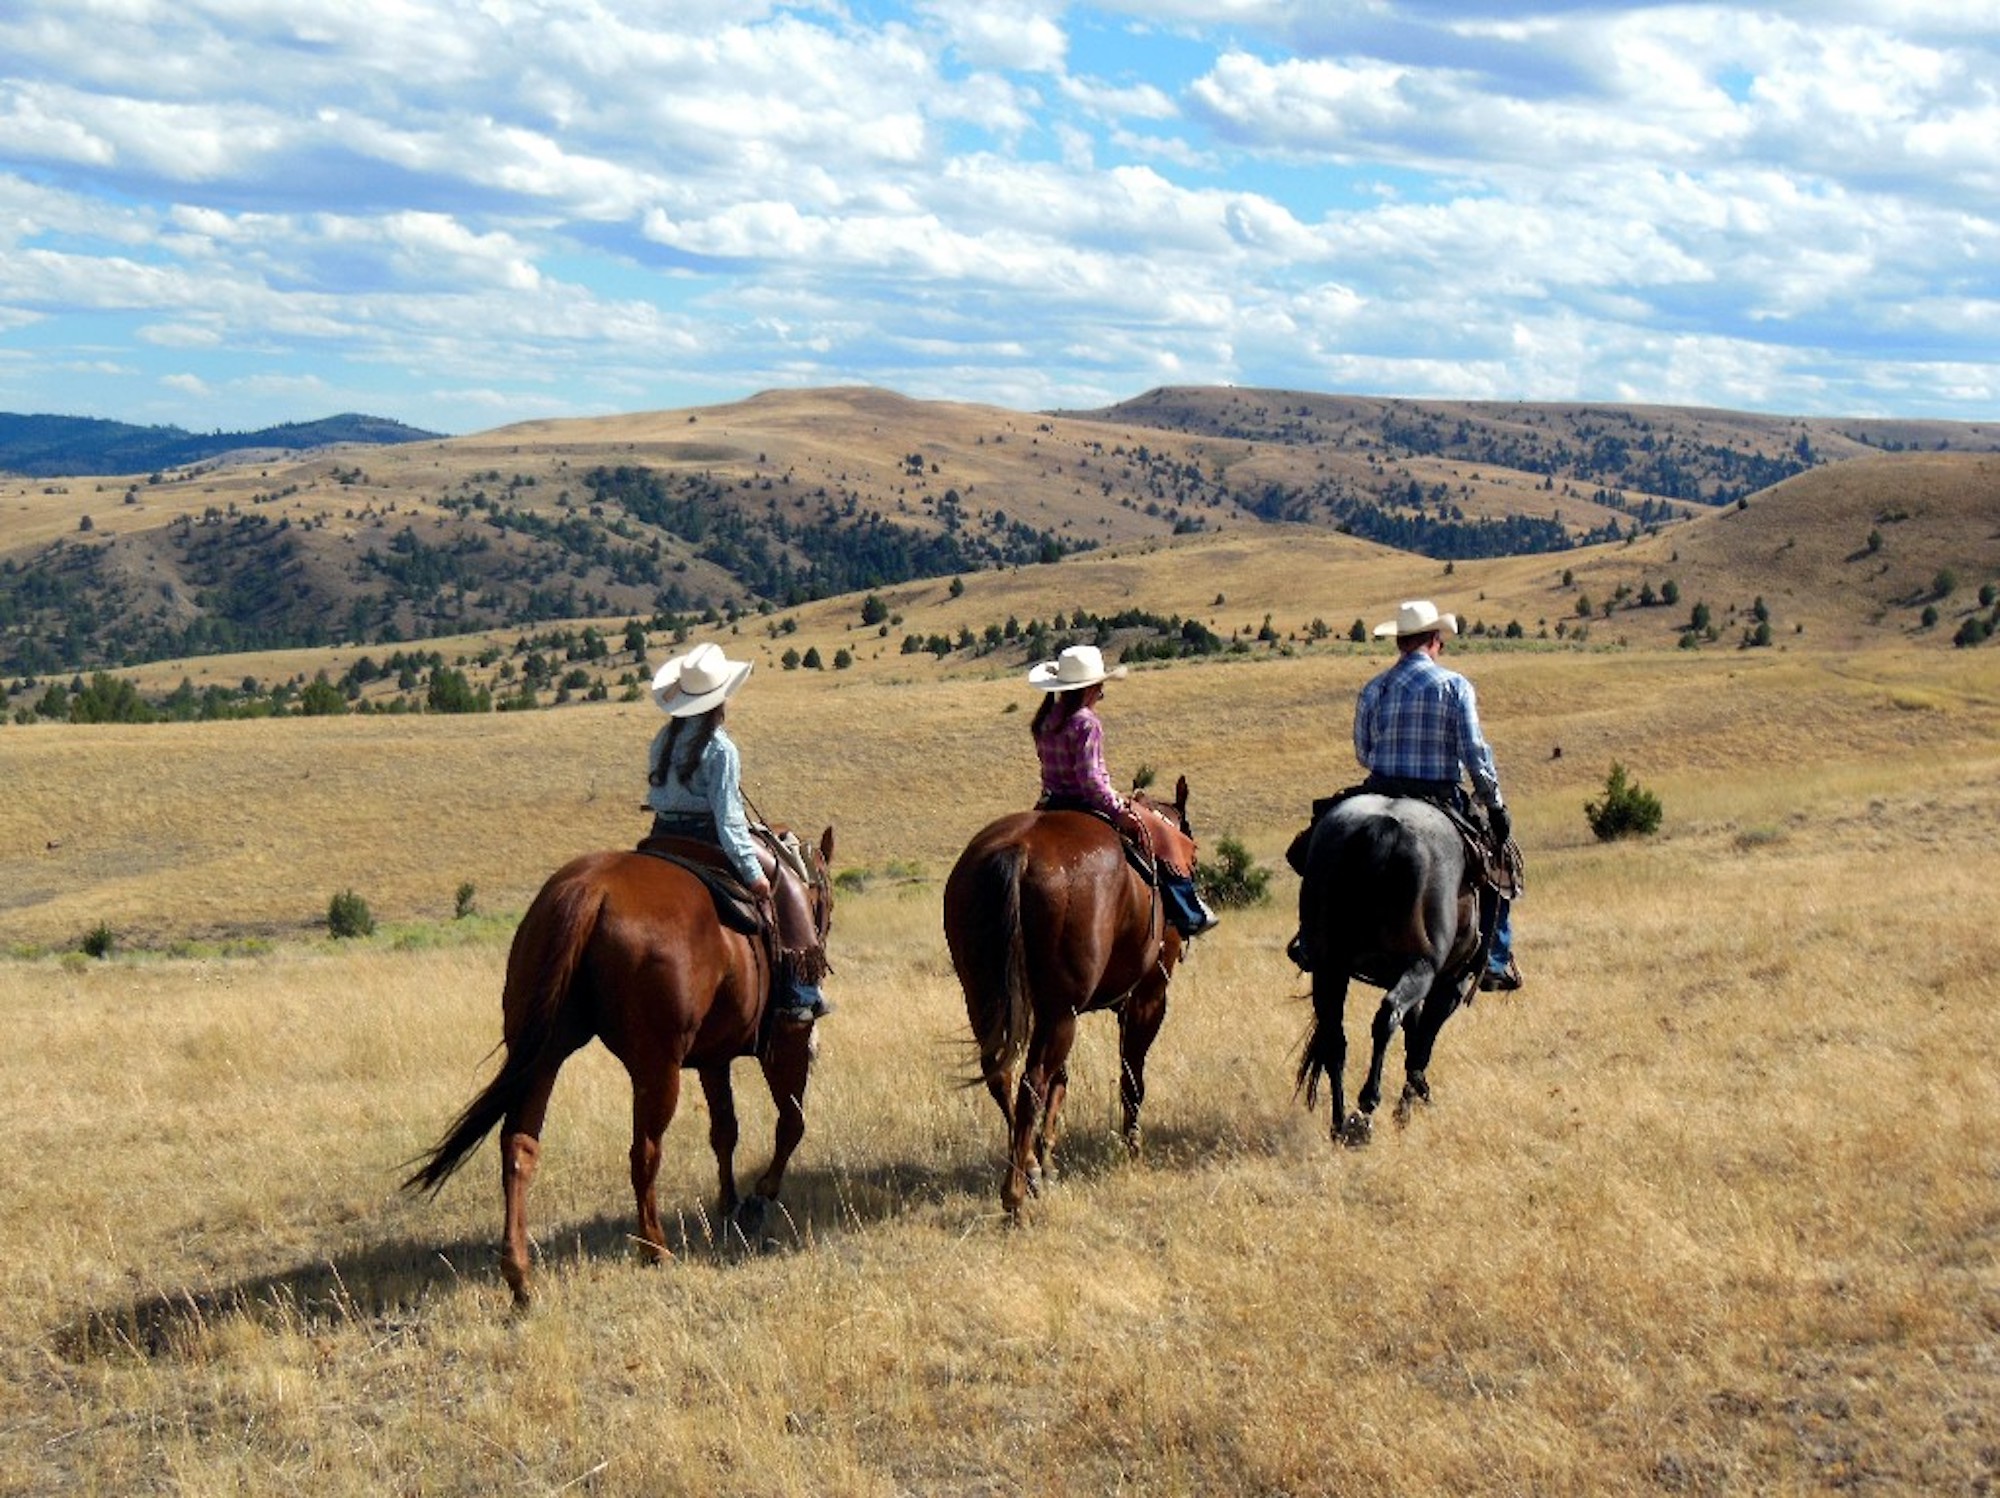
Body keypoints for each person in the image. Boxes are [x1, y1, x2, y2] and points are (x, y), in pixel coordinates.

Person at [645, 641, 832, 1021]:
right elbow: (729, 822)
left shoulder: (664, 738)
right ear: (720, 699)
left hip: (661, 835)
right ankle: (800, 994)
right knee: (791, 888)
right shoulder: (720, 748)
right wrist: (753, 875)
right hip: (707, 836)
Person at [1338, 599, 1518, 989]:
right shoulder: (1454, 686)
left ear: (1400, 642)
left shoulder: (1374, 688)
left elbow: (1363, 753)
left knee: (1325, 843)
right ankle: (1495, 960)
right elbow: (1474, 753)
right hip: (1437, 796)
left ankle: (1313, 936)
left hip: (1380, 788)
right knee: (1499, 864)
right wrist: (1495, 804)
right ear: (1434, 640)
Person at [1028, 643, 1218, 940]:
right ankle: (1188, 912)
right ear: (1091, 688)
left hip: (1050, 802)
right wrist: (1120, 811)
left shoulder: (1046, 719)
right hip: (1087, 803)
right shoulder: (1086, 722)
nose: (1101, 693)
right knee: (1161, 835)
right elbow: (1091, 782)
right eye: (1100, 687)